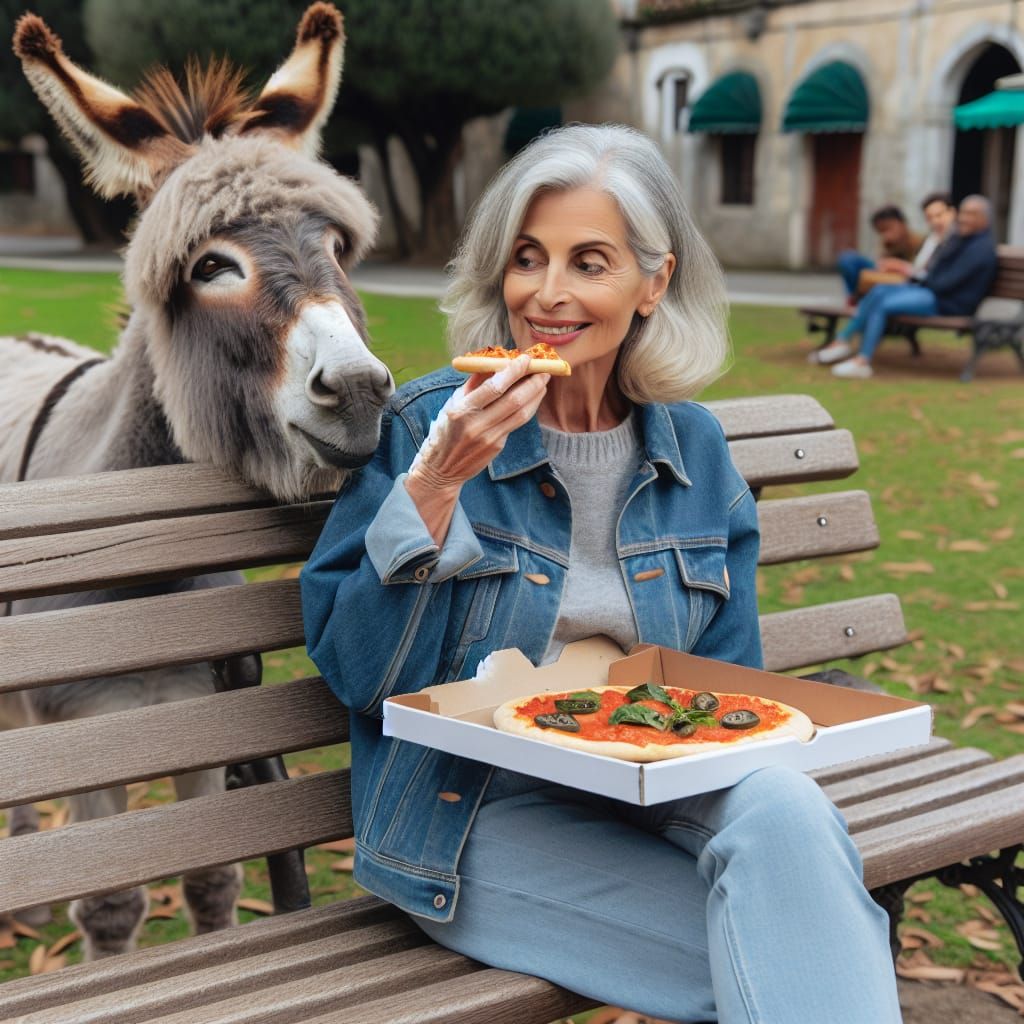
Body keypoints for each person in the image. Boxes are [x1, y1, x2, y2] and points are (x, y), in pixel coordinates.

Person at [300, 123, 901, 1023]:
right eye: (527, 258)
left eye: (589, 262)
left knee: (784, 809)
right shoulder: (426, 428)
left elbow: (725, 696)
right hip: (471, 813)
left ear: (653, 283)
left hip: (652, 783)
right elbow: (357, 673)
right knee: (798, 964)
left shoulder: (695, 448)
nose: (547, 292)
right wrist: (436, 484)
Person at [816, 195, 998, 379]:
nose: (964, 218)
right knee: (878, 291)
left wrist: (920, 278)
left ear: (985, 219)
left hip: (948, 304)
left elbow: (944, 282)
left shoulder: (980, 249)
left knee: (883, 304)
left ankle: (862, 360)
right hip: (932, 293)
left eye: (972, 214)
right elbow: (935, 274)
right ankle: (842, 341)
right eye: (964, 213)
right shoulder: (959, 240)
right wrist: (923, 278)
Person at [836, 205, 923, 303]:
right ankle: (854, 298)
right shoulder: (887, 244)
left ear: (902, 223)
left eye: (888, 229)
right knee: (848, 259)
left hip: (906, 281)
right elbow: (878, 266)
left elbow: (920, 273)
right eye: (881, 232)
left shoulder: (920, 242)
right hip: (885, 277)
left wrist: (900, 266)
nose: (886, 235)